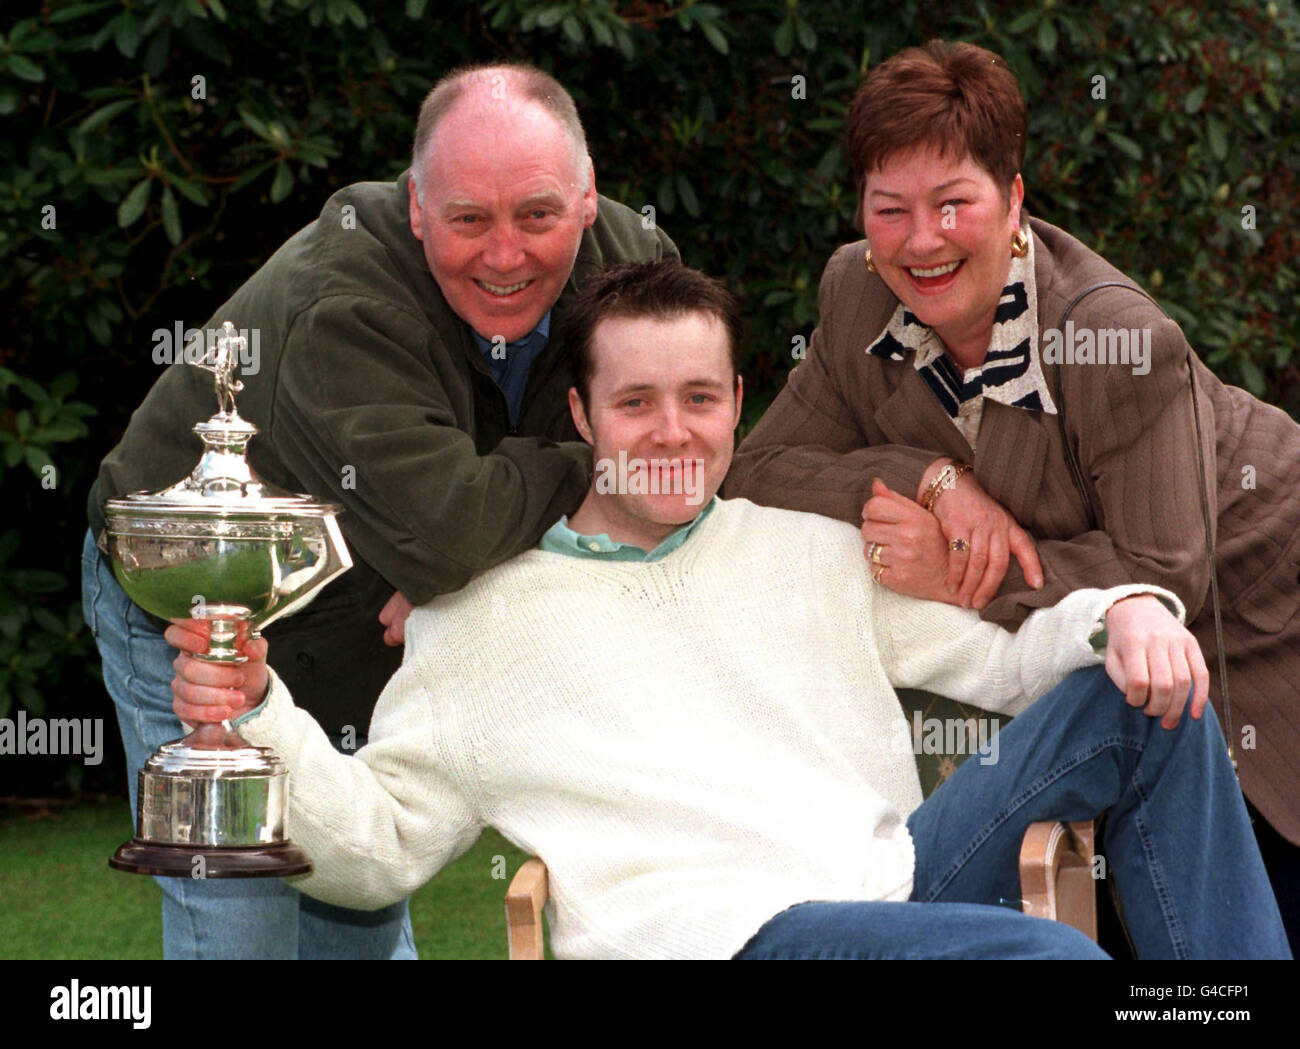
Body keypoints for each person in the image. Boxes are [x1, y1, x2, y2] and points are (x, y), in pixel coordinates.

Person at [167, 260, 1289, 960]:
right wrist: (258, 709)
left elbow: (1006, 661)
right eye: (636, 402)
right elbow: (375, 850)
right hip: (718, 937)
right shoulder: (477, 624)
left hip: (896, 876)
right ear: (580, 413)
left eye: (700, 398)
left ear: (739, 402)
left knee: (1152, 692)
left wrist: (1128, 612)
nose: (672, 432)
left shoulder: (816, 550)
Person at [81, 63, 677, 960]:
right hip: (198, 602)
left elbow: (683, 473)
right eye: (469, 218)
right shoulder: (345, 303)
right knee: (244, 929)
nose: (505, 254)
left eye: (538, 215)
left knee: (355, 908)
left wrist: (482, 554)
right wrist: (584, 474)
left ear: (590, 200)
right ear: (416, 206)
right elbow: (453, 530)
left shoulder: (638, 276)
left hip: (368, 601)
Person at [724, 39, 1300, 949]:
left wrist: (956, 565)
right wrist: (931, 479)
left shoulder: (1116, 338)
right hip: (1123, 682)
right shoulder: (855, 295)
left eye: (954, 203)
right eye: (891, 209)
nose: (922, 240)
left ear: (1015, 201)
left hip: (1267, 647)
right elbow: (756, 471)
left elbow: (1162, 575)